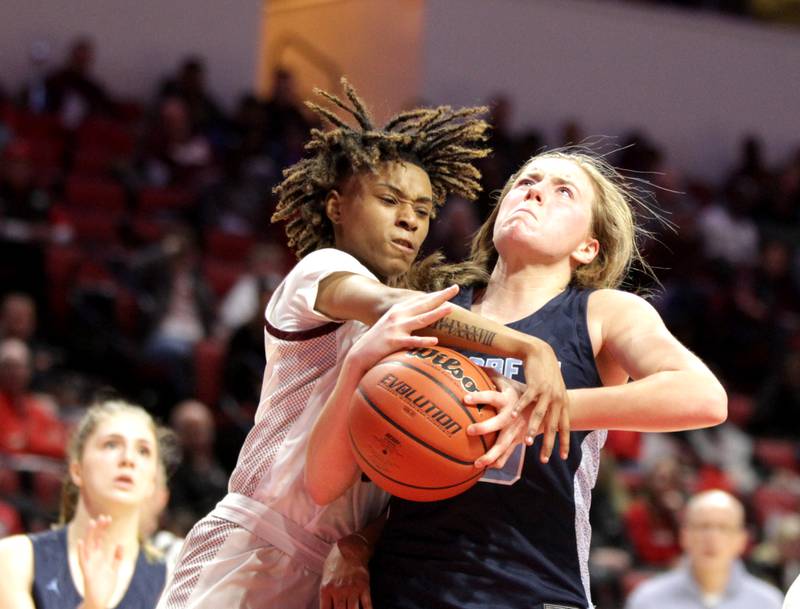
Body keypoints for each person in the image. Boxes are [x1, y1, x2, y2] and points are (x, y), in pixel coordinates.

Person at [157, 80, 568, 609]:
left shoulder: (416, 331)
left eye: (423, 210)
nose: (409, 219)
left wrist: (356, 547)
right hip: (256, 542)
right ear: (336, 206)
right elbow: (389, 305)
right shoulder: (323, 271)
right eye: (389, 200)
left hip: (341, 571)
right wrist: (530, 348)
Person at [307, 149, 729, 609]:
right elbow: (402, 469)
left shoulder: (603, 312)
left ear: (587, 246)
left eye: (562, 191)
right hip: (405, 586)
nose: (535, 191)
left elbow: (704, 397)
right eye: (525, 182)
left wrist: (540, 406)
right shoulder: (438, 309)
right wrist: (358, 544)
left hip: (534, 590)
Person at [0, 399, 169, 609]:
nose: (128, 459)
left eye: (143, 451)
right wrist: (92, 605)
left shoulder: (173, 577)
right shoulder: (16, 557)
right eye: (111, 444)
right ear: (77, 470)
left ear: (153, 483)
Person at [625, 490, 783, 609]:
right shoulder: (647, 600)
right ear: (684, 536)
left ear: (741, 540)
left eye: (723, 528)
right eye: (703, 527)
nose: (712, 537)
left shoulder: (769, 603)